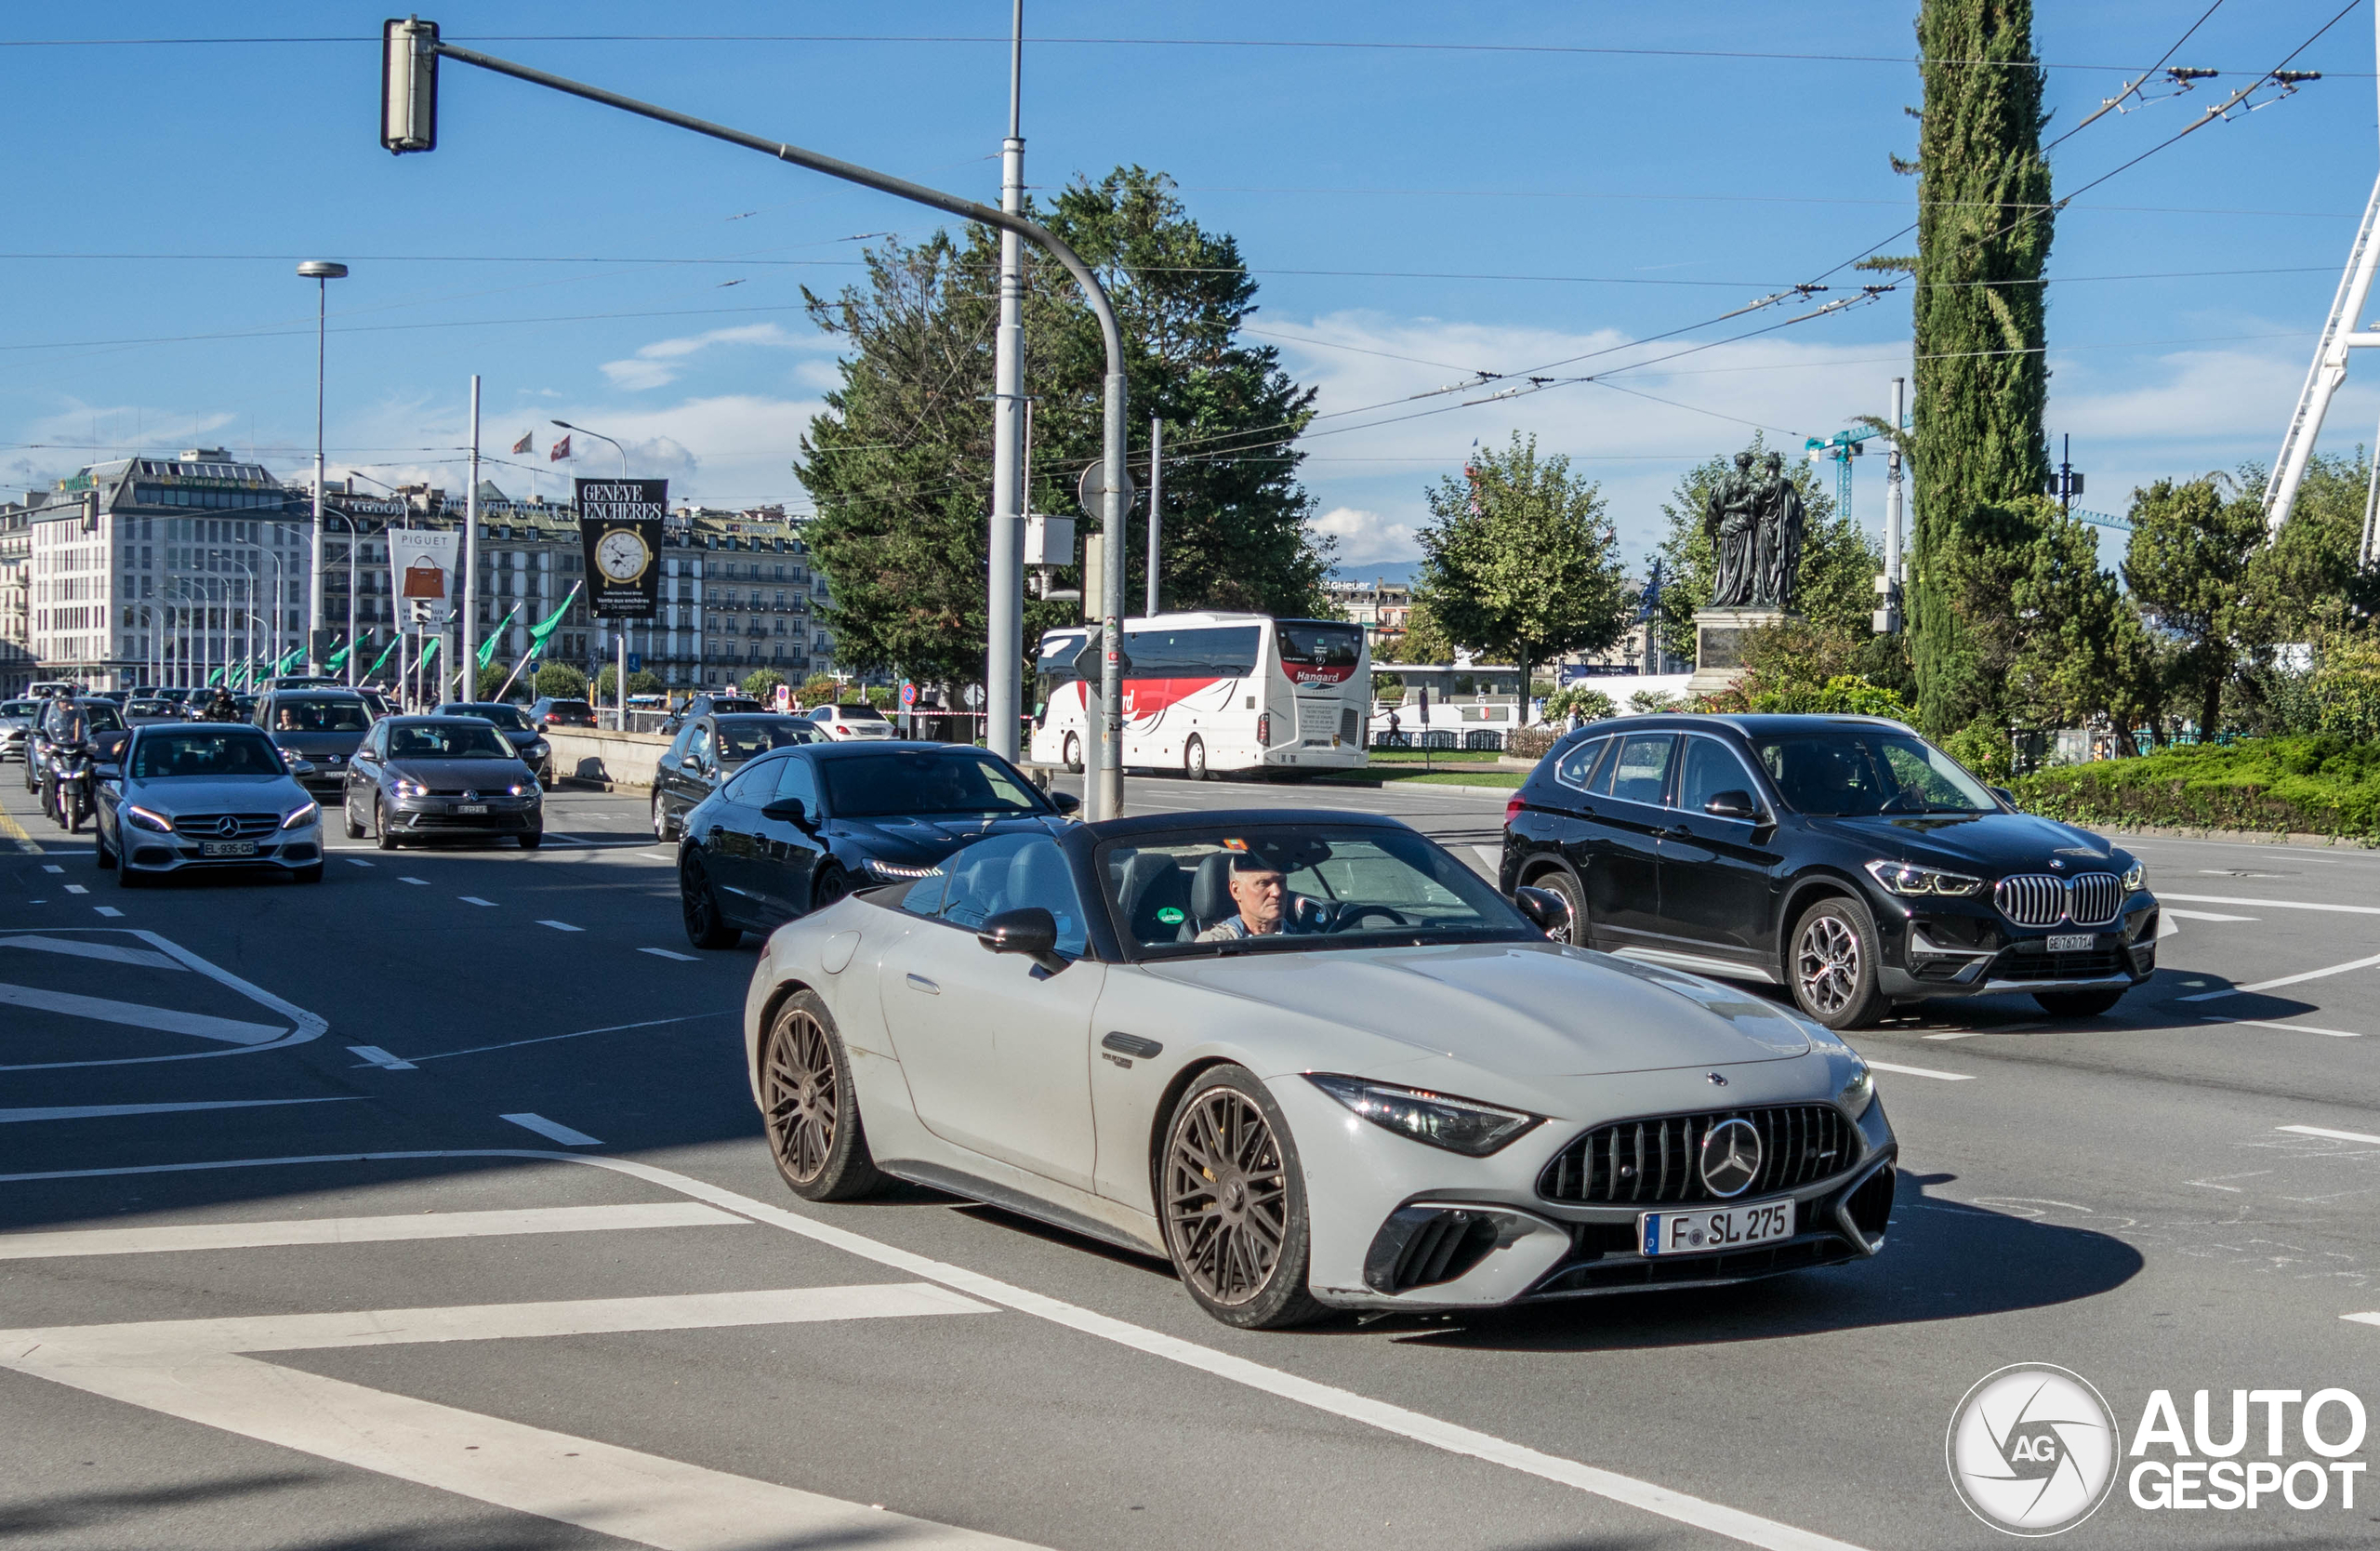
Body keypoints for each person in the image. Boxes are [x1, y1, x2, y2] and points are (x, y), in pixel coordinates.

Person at [1194, 853, 1316, 942]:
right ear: (1236, 890)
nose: (1277, 892)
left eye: (1282, 882)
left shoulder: (1307, 939)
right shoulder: (1213, 945)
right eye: (1264, 883)